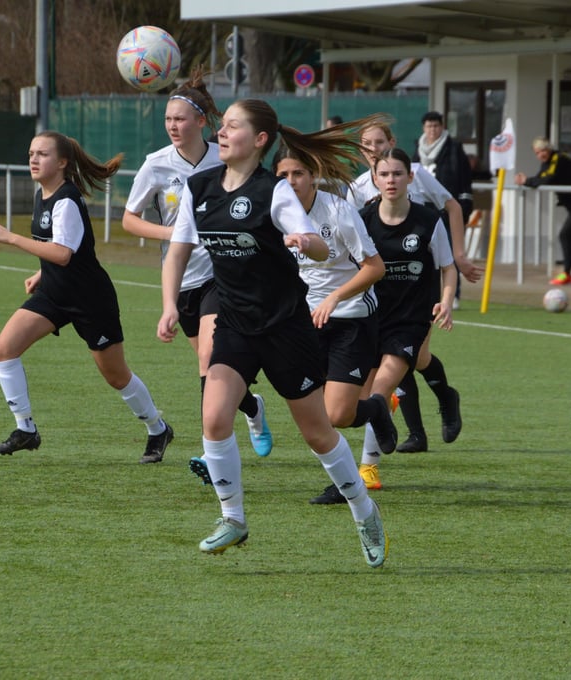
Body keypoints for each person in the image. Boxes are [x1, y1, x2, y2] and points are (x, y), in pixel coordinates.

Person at [158, 100, 389, 568]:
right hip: (236, 325)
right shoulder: (199, 188)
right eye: (221, 126)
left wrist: (306, 241)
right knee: (215, 417)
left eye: (233, 127)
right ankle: (233, 519)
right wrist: (167, 305)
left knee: (318, 433)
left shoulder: (275, 192)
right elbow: (178, 251)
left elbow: (321, 247)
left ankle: (364, 511)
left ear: (259, 140)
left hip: (286, 328)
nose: (222, 133)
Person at [0, 131, 173, 463]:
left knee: (116, 375)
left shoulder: (66, 199)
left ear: (62, 162)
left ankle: (158, 428)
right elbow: (64, 248)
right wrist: (42, 274)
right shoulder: (44, 194)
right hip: (54, 295)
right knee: (4, 349)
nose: (33, 159)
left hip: (89, 299)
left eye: (42, 154)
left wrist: (10, 238)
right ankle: (25, 429)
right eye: (31, 153)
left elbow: (63, 253)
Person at [122, 68, 273, 457]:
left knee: (210, 356)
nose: (173, 125)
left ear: (201, 122)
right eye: (168, 119)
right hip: (181, 275)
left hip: (220, 275)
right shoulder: (156, 163)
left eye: (180, 119)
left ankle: (213, 452)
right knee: (213, 366)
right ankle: (253, 407)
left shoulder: (223, 159)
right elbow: (129, 219)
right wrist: (174, 234)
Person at [269, 144, 396, 506]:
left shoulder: (338, 211)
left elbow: (375, 268)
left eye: (298, 174)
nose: (291, 182)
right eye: (283, 175)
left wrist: (334, 297)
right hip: (303, 323)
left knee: (338, 414)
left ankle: (374, 408)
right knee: (313, 414)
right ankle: (341, 483)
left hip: (352, 317)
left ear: (313, 176)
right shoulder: (275, 216)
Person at [352, 120, 481, 454]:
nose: (373, 150)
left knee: (398, 366)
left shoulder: (421, 188)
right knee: (412, 362)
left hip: (415, 302)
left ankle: (375, 461)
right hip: (375, 307)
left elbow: (451, 210)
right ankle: (428, 418)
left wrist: (454, 273)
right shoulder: (358, 198)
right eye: (366, 144)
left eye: (378, 142)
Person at [355, 147, 459, 491]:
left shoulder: (428, 220)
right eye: (384, 174)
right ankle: (445, 397)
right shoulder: (363, 219)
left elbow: (447, 267)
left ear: (410, 177)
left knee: (381, 391)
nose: (391, 180)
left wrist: (445, 302)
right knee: (364, 397)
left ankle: (367, 467)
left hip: (412, 321)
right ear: (374, 179)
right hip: (370, 316)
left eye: (397, 173)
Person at [514, 137, 571, 285]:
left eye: (543, 151)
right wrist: (526, 181)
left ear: (549, 149)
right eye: (537, 152)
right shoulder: (547, 163)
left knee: (566, 235)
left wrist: (528, 181)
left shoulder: (558, 159)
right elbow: (540, 178)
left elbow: (550, 178)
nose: (541, 155)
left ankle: (569, 273)